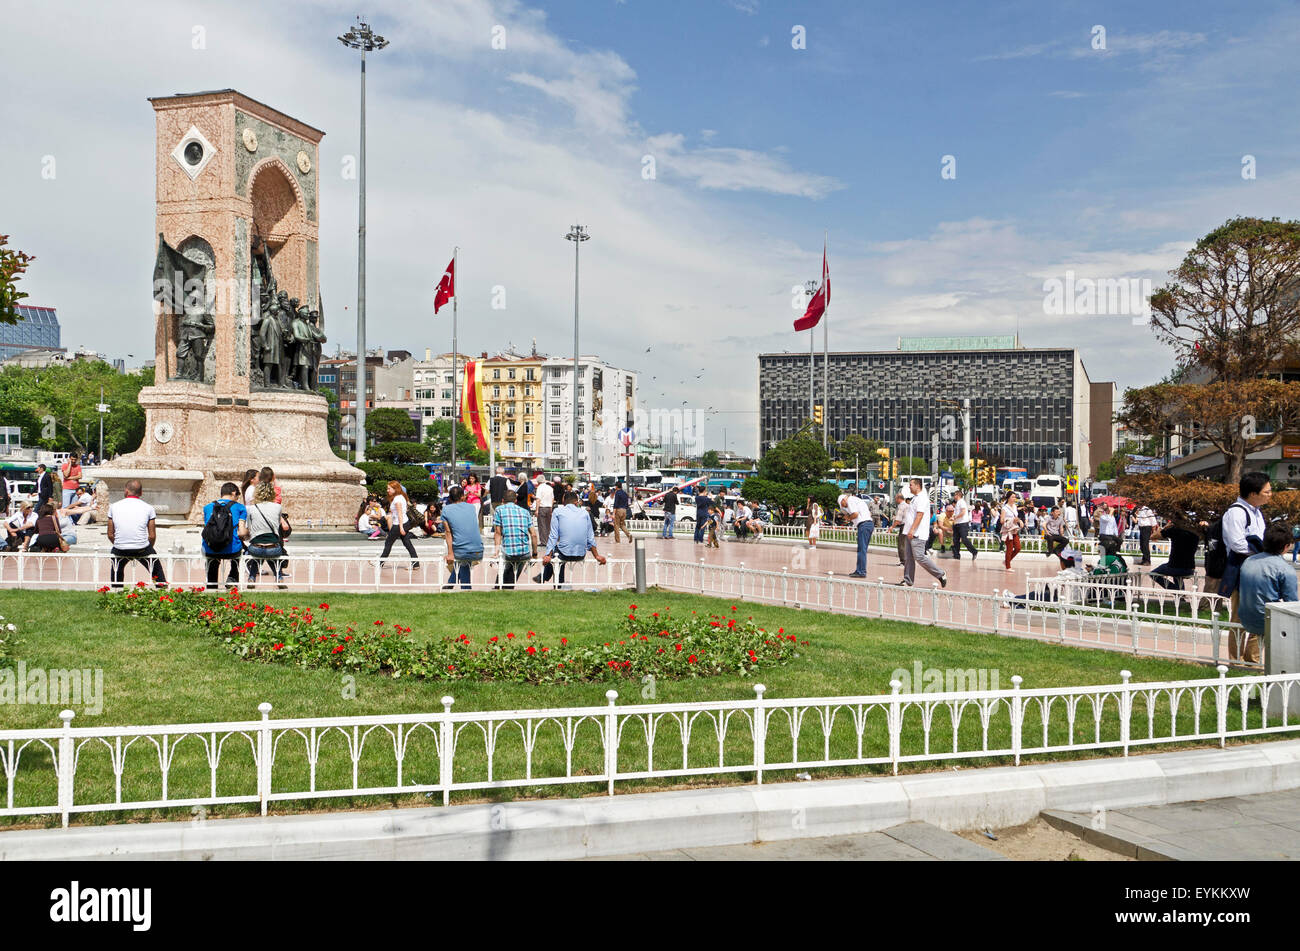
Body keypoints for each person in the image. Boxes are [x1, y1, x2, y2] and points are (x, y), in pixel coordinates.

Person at [1219, 472, 1271, 660]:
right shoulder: (1236, 513)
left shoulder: (1256, 512)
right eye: (1267, 491)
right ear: (1253, 493)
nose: (1270, 494)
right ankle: (1235, 659)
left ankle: (1253, 658)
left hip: (1258, 569)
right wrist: (1260, 552)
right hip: (1243, 570)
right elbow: (1237, 544)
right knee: (1240, 617)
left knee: (1260, 614)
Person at [1236, 522, 1296, 666]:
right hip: (1266, 621)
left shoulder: (1248, 561)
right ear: (1286, 546)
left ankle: (1250, 660)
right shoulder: (1285, 569)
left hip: (1244, 616)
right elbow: (1292, 602)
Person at [107, 479, 166, 588]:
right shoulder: (148, 508)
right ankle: (162, 588)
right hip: (141, 547)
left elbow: (110, 534)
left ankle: (116, 589)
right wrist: (147, 548)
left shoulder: (113, 507)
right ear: (141, 493)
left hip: (120, 547)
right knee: (156, 568)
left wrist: (120, 543)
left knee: (116, 568)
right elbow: (152, 535)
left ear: (126, 491)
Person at [539, 490, 607, 585]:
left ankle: (552, 582)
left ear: (564, 502)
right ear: (577, 502)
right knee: (559, 552)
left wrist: (547, 555)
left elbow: (553, 536)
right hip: (580, 554)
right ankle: (543, 578)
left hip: (564, 554)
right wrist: (597, 556)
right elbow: (590, 537)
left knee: (556, 556)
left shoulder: (557, 512)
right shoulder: (585, 513)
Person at [900, 480, 947, 588]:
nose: (909, 487)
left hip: (917, 533)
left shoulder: (922, 498)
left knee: (919, 557)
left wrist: (912, 530)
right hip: (910, 532)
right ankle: (908, 580)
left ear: (917, 486)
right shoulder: (915, 498)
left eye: (911, 485)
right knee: (909, 558)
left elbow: (919, 515)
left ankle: (940, 574)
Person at [202, 482, 247, 589]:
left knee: (212, 558)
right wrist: (247, 533)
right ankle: (232, 577)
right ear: (233, 493)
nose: (237, 499)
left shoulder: (207, 507)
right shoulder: (240, 508)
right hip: (232, 551)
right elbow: (241, 532)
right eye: (237, 496)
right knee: (240, 551)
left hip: (210, 550)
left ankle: (212, 585)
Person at [244, 481, 287, 588]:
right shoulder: (277, 507)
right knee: (270, 553)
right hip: (273, 548)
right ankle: (279, 577)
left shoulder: (252, 508)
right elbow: (277, 524)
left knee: (258, 553)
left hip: (255, 548)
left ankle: (252, 577)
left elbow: (249, 527)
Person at [441, 484, 484, 589]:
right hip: (478, 548)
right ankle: (450, 585)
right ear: (462, 496)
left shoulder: (446, 510)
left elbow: (448, 532)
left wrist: (450, 553)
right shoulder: (471, 507)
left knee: (463, 561)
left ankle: (466, 590)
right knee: (462, 563)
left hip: (462, 550)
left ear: (450, 498)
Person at [493, 489, 538, 588]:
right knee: (513, 574)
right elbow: (534, 535)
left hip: (508, 553)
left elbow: (498, 533)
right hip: (524, 553)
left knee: (504, 571)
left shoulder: (499, 510)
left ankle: (499, 588)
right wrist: (534, 553)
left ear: (503, 500)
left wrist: (496, 552)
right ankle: (508, 587)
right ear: (515, 500)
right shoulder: (525, 512)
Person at [1150, 515, 1202, 591]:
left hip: (1174, 567)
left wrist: (1165, 527)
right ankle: (1180, 596)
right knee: (1177, 576)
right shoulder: (1195, 532)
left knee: (1153, 574)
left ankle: (1176, 591)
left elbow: (1153, 537)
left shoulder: (1174, 530)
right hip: (1190, 568)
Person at [377, 480, 419, 568]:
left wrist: (401, 528)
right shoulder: (400, 497)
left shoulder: (397, 499)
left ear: (395, 489)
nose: (387, 490)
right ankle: (415, 563)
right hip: (404, 523)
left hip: (399, 524)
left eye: (389, 488)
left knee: (388, 542)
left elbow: (400, 514)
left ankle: (380, 563)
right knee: (407, 542)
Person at [838, 491, 873, 578]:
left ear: (843, 500)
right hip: (868, 524)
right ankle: (860, 570)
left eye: (843, 505)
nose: (844, 507)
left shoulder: (850, 500)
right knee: (862, 549)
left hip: (864, 525)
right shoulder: (856, 500)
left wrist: (848, 518)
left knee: (861, 549)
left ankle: (861, 571)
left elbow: (855, 514)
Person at [950, 489, 977, 559]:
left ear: (958, 495)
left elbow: (963, 512)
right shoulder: (958, 503)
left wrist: (955, 517)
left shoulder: (961, 502)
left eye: (955, 495)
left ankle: (974, 551)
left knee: (964, 539)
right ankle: (956, 555)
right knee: (956, 540)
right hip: (957, 523)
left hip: (963, 524)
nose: (954, 496)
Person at [999, 491, 1022, 571]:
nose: (1014, 498)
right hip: (1008, 530)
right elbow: (1001, 521)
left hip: (1014, 529)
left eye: (1015, 497)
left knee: (1018, 547)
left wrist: (1019, 521)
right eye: (1013, 497)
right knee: (1009, 548)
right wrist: (1012, 520)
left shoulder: (1015, 506)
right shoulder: (1004, 508)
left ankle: (1006, 561)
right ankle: (1008, 566)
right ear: (1008, 498)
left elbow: (1016, 517)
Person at [890, 493, 911, 568]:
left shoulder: (901, 506)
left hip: (904, 526)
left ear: (899, 498)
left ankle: (903, 562)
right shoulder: (907, 505)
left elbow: (898, 520)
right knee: (906, 544)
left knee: (901, 544)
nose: (895, 500)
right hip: (909, 526)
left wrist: (892, 527)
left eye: (896, 498)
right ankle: (907, 561)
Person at [534, 472, 555, 546]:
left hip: (542, 508)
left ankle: (543, 541)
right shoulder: (550, 488)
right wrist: (551, 508)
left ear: (538, 481)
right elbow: (552, 498)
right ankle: (549, 540)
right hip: (549, 507)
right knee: (548, 525)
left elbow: (538, 499)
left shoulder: (539, 488)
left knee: (542, 525)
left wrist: (536, 510)